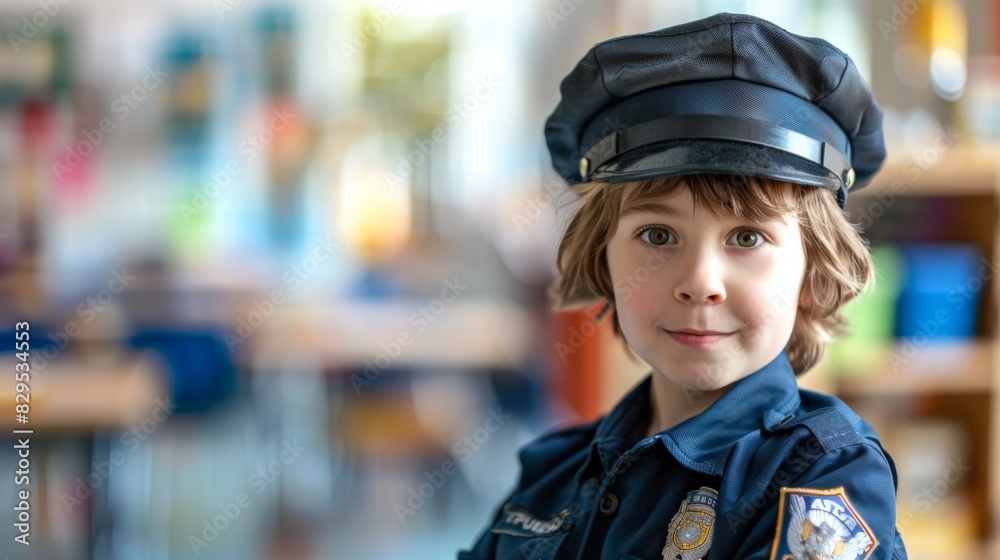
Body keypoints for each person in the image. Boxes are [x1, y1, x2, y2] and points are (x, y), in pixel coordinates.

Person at [459, 12, 907, 560]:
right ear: (604, 261)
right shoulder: (552, 471)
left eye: (747, 237)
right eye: (657, 233)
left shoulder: (823, 478)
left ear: (812, 273)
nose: (700, 283)